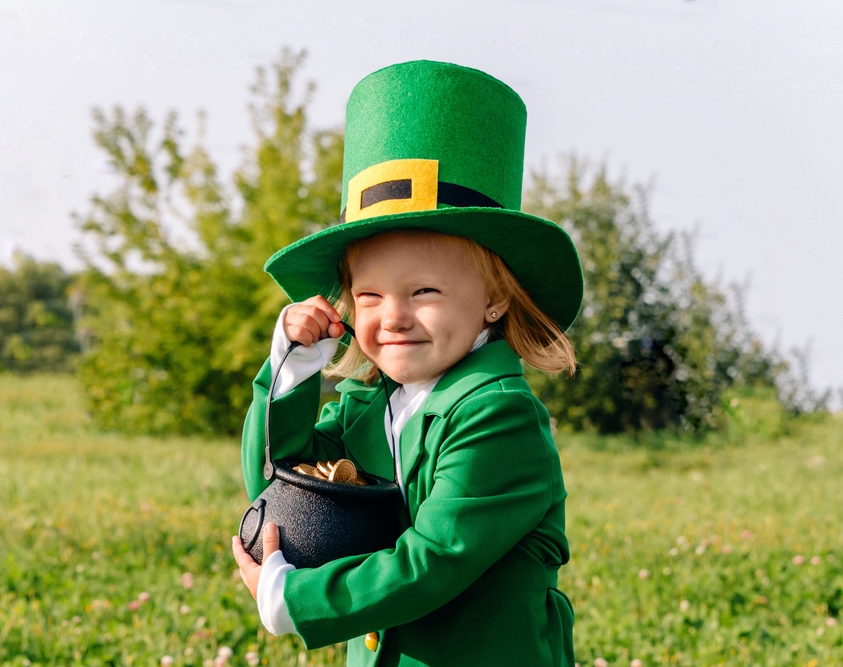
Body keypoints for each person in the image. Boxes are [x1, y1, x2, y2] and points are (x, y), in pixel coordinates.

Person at [232, 60, 585, 667]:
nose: (393, 318)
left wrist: (292, 595)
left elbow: (435, 558)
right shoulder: (371, 408)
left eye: (424, 292)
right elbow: (279, 479)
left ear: (494, 298)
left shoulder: (499, 417)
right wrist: (294, 369)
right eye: (369, 297)